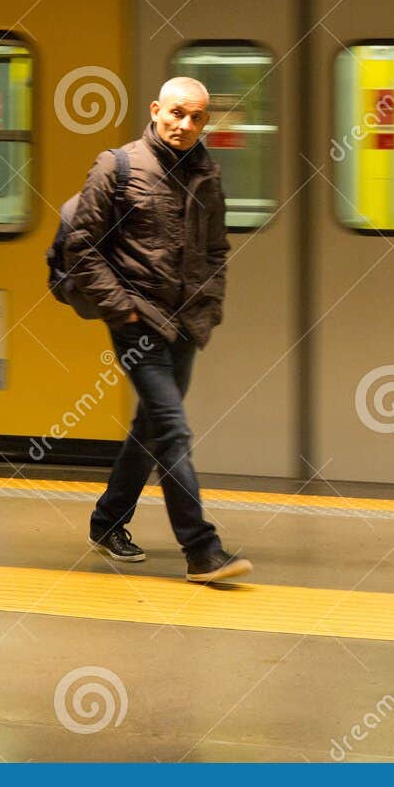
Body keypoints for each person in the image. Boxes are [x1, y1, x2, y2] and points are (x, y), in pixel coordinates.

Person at [64, 76, 251, 584]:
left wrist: (208, 307)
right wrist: (121, 310)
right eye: (176, 113)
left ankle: (107, 523)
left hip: (186, 323)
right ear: (155, 110)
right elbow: (81, 246)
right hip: (137, 322)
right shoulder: (118, 166)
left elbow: (216, 251)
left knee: (151, 428)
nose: (185, 125)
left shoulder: (206, 173)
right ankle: (202, 549)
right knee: (172, 430)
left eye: (196, 117)